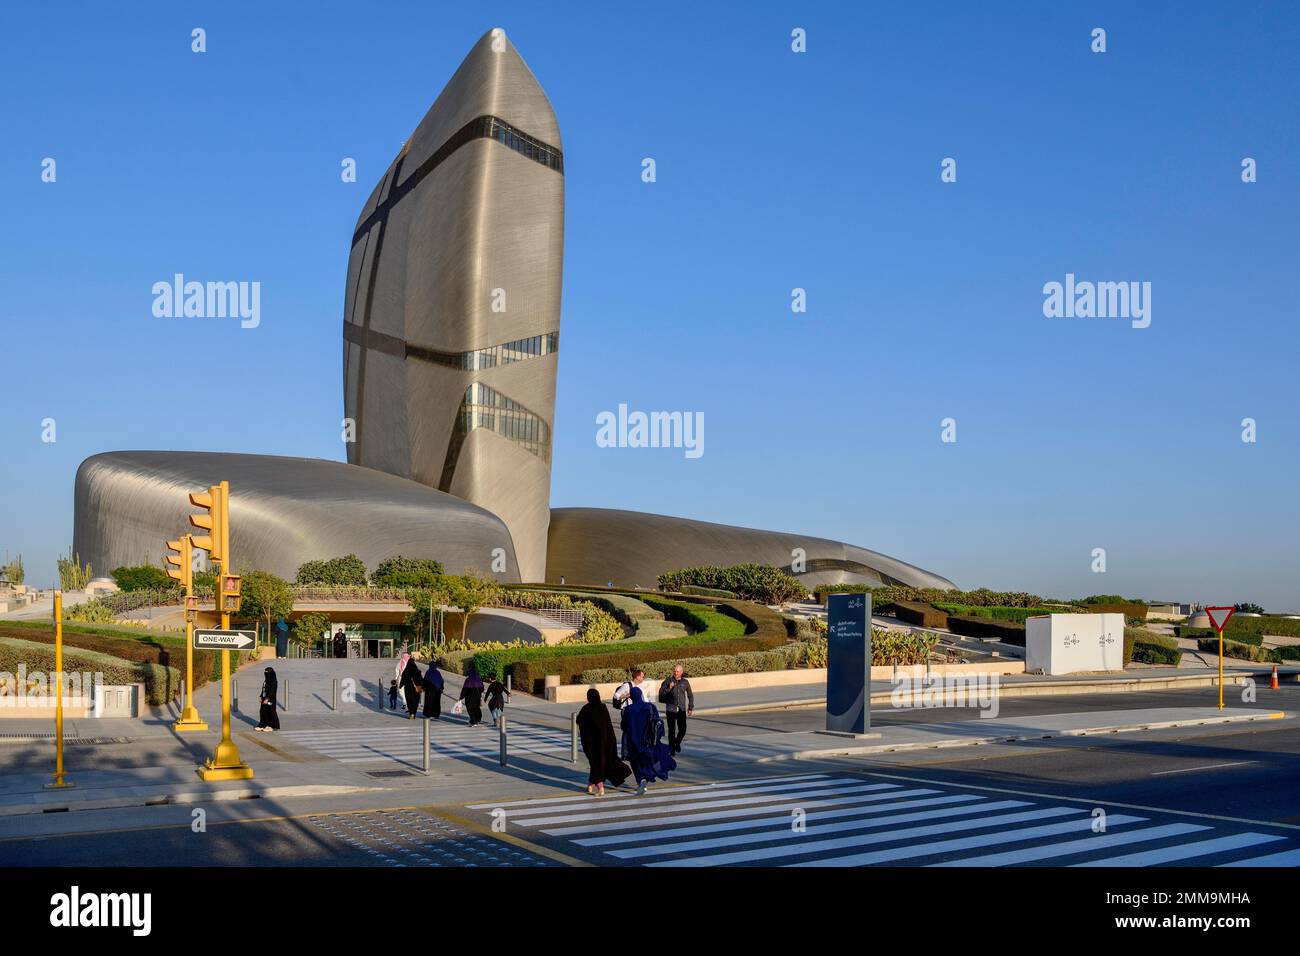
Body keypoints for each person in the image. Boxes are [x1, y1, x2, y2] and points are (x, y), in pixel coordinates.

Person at [620, 686, 675, 795]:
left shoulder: (628, 710)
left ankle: (641, 780)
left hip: (633, 741)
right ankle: (647, 776)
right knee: (649, 759)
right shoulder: (650, 707)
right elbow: (657, 722)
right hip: (648, 740)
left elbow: (624, 725)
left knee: (635, 761)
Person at [576, 687, 630, 795]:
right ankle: (590, 785)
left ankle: (600, 786)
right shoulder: (602, 707)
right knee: (597, 764)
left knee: (595, 764)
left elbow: (579, 721)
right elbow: (608, 725)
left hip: (590, 744)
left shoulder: (586, 709)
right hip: (604, 742)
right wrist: (612, 741)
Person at [658, 664, 695, 755]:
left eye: (678, 671)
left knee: (683, 729)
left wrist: (690, 707)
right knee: (672, 730)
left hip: (681, 709)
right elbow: (661, 694)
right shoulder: (668, 681)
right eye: (674, 671)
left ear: (681, 672)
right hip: (671, 709)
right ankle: (672, 749)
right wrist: (669, 688)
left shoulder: (685, 682)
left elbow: (690, 695)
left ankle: (677, 743)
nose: (676, 673)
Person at [399, 655, 424, 719]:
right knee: (415, 702)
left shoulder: (406, 671)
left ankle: (411, 714)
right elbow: (421, 680)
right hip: (416, 689)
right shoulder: (417, 671)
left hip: (408, 689)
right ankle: (414, 714)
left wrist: (400, 685)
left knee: (409, 701)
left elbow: (403, 679)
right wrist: (423, 686)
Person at [256, 666, 280, 732]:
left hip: (270, 699)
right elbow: (263, 689)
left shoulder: (274, 681)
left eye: (267, 672)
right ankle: (262, 725)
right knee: (263, 711)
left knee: (271, 712)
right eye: (265, 672)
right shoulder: (265, 681)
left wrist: (267, 698)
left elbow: (272, 691)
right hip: (264, 698)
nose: (266, 674)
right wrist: (261, 696)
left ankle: (272, 726)